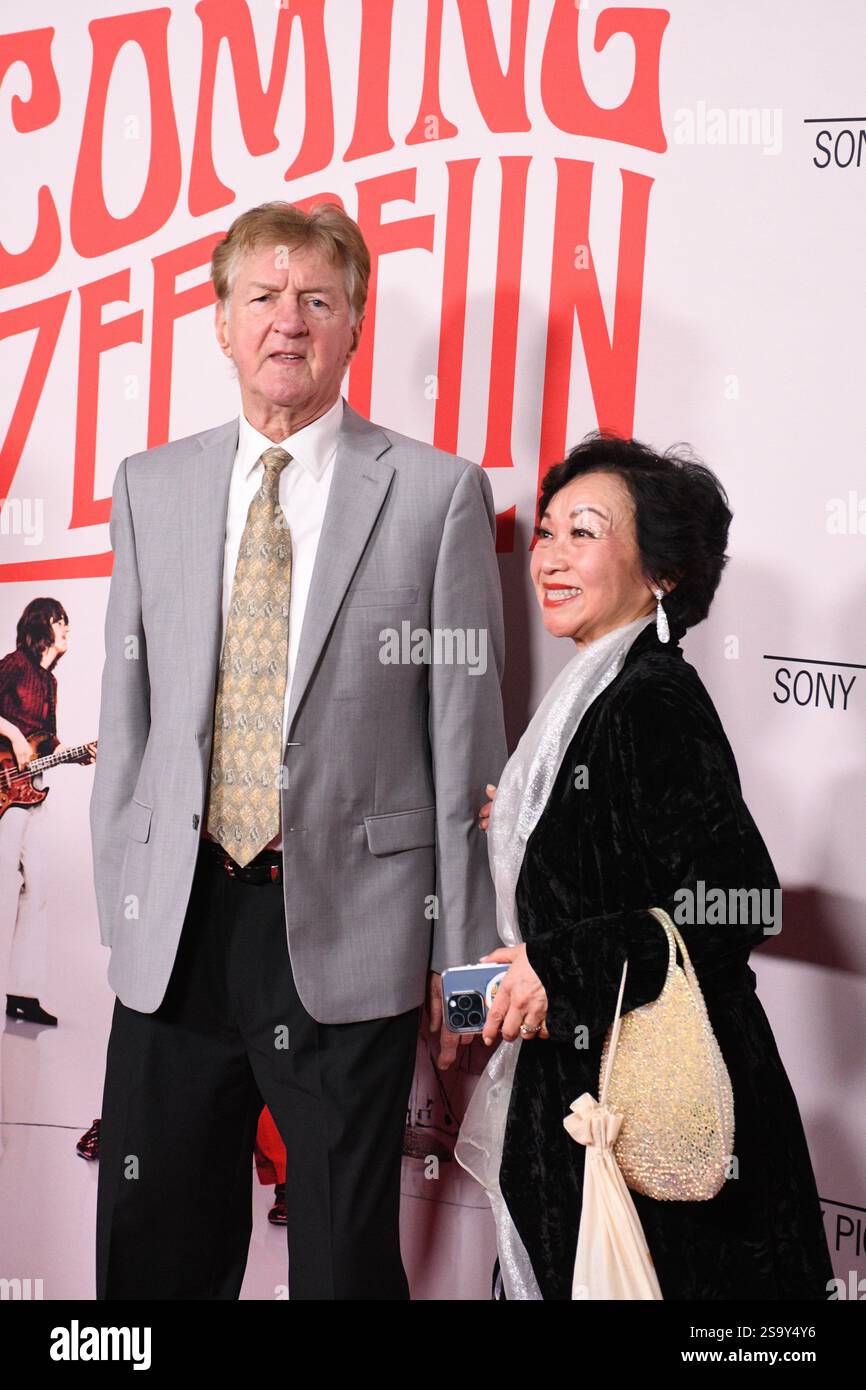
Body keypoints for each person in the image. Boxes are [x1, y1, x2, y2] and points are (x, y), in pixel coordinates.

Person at [90, 200, 507, 1299]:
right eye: (263, 297)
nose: (289, 321)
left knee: (339, 1261)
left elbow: (466, 747)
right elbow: (125, 722)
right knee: (152, 1248)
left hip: (350, 935)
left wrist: (463, 977)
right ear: (222, 324)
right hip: (175, 930)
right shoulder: (151, 485)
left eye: (317, 299)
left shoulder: (435, 494)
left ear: (353, 327)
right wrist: (122, 909)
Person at [456, 432, 833, 1300]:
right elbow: (609, 863)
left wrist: (566, 963)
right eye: (546, 531)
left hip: (657, 1116)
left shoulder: (653, 695)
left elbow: (742, 900)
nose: (549, 555)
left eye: (583, 532)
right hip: (581, 1102)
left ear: (662, 573)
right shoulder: (589, 698)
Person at [0, 599, 96, 1031]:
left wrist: (73, 755)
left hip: (33, 794)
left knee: (35, 892)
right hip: (5, 793)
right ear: (42, 625)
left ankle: (23, 993)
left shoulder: (50, 683)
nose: (68, 630)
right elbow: (19, 735)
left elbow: (48, 741)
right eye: (62, 622)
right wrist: (14, 735)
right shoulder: (14, 665)